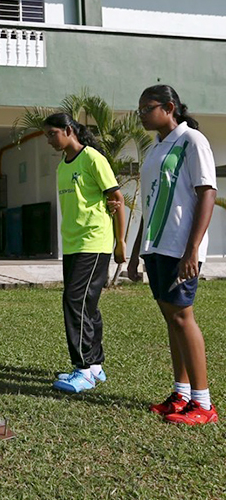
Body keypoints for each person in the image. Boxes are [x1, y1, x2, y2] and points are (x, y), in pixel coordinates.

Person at [127, 85, 218, 425]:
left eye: (145, 109)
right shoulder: (156, 149)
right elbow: (150, 203)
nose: (140, 116)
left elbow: (207, 192)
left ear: (169, 107)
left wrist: (192, 249)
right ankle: (180, 395)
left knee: (183, 318)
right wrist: (137, 251)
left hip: (180, 247)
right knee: (171, 320)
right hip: (156, 246)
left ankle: (204, 405)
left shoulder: (192, 141)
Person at [43, 113, 126, 394]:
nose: (49, 139)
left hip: (94, 242)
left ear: (69, 130)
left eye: (53, 133)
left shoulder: (92, 158)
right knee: (87, 304)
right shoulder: (62, 167)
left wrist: (121, 242)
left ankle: (84, 370)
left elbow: (116, 198)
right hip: (74, 244)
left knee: (74, 301)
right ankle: (96, 366)